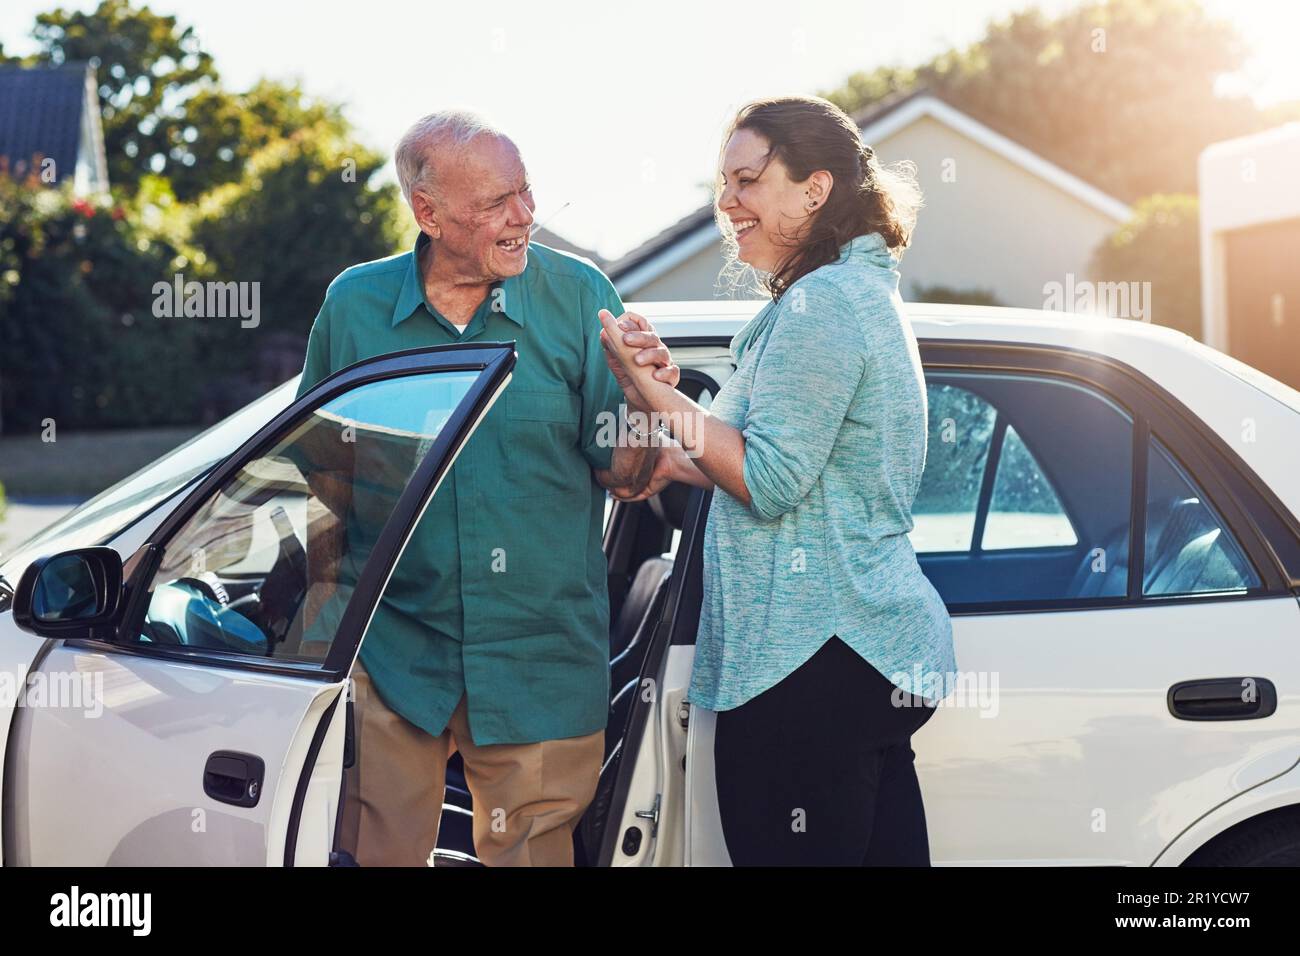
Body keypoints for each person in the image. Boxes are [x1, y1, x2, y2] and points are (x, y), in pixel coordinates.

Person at [296, 109, 669, 866]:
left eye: (526, 193)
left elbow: (626, 478)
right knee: (370, 855)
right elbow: (323, 471)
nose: (524, 217)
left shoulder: (578, 297)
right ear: (427, 213)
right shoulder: (354, 307)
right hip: (394, 652)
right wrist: (322, 619)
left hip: (539, 658)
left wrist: (640, 399)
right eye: (497, 203)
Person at [599, 95, 958, 865]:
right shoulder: (847, 293)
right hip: (860, 655)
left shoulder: (823, 306)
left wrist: (658, 395)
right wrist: (668, 447)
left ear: (815, 189)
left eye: (748, 181)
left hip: (816, 658)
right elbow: (783, 458)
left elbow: (769, 479)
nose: (727, 203)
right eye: (723, 184)